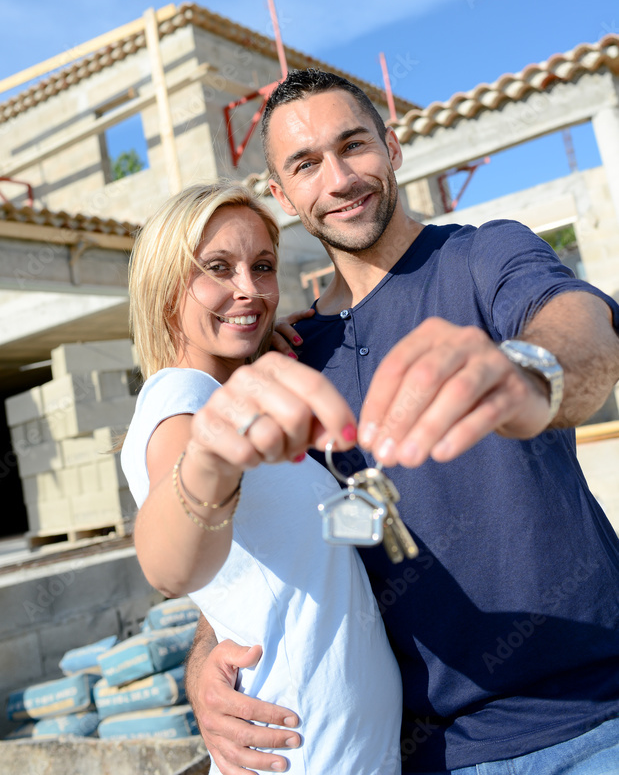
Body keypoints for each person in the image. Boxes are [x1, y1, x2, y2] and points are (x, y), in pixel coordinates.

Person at [185, 69, 619, 775]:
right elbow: (277, 540)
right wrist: (205, 655)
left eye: (353, 146)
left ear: (391, 147)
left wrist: (526, 371)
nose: (338, 178)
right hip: (425, 754)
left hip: (595, 719)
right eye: (305, 164)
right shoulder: (292, 360)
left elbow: (583, 330)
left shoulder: (483, 257)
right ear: (282, 193)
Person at [120, 180, 404, 775]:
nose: (248, 290)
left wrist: (255, 364)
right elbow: (173, 564)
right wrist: (211, 456)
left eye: (263, 266)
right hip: (302, 752)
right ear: (167, 284)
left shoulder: (234, 392)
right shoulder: (181, 399)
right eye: (217, 268)